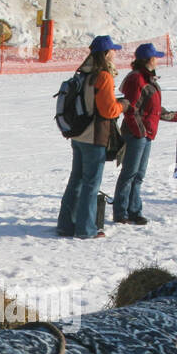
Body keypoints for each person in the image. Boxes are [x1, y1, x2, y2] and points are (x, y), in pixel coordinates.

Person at [57, 35, 128, 240]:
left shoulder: (83, 73)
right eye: (113, 51)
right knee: (90, 183)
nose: (115, 54)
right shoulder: (103, 76)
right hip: (95, 136)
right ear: (106, 54)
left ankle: (66, 224)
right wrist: (124, 105)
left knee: (76, 181)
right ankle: (86, 228)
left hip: (78, 135)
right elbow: (108, 111)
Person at [111, 42, 177, 226]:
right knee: (129, 174)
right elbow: (130, 108)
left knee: (138, 175)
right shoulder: (137, 79)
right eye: (155, 57)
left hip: (146, 134)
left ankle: (134, 210)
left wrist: (171, 116)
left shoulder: (147, 78)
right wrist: (140, 132)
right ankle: (121, 212)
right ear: (149, 59)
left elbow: (152, 109)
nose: (157, 60)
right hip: (136, 135)